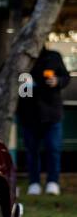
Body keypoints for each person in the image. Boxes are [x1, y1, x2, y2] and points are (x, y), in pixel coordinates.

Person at [18, 46, 71, 196]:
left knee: (53, 149)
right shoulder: (22, 57)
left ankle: (53, 182)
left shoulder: (54, 56)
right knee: (32, 151)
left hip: (52, 113)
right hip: (30, 114)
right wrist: (26, 86)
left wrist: (57, 81)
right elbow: (22, 90)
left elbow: (65, 77)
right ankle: (34, 183)